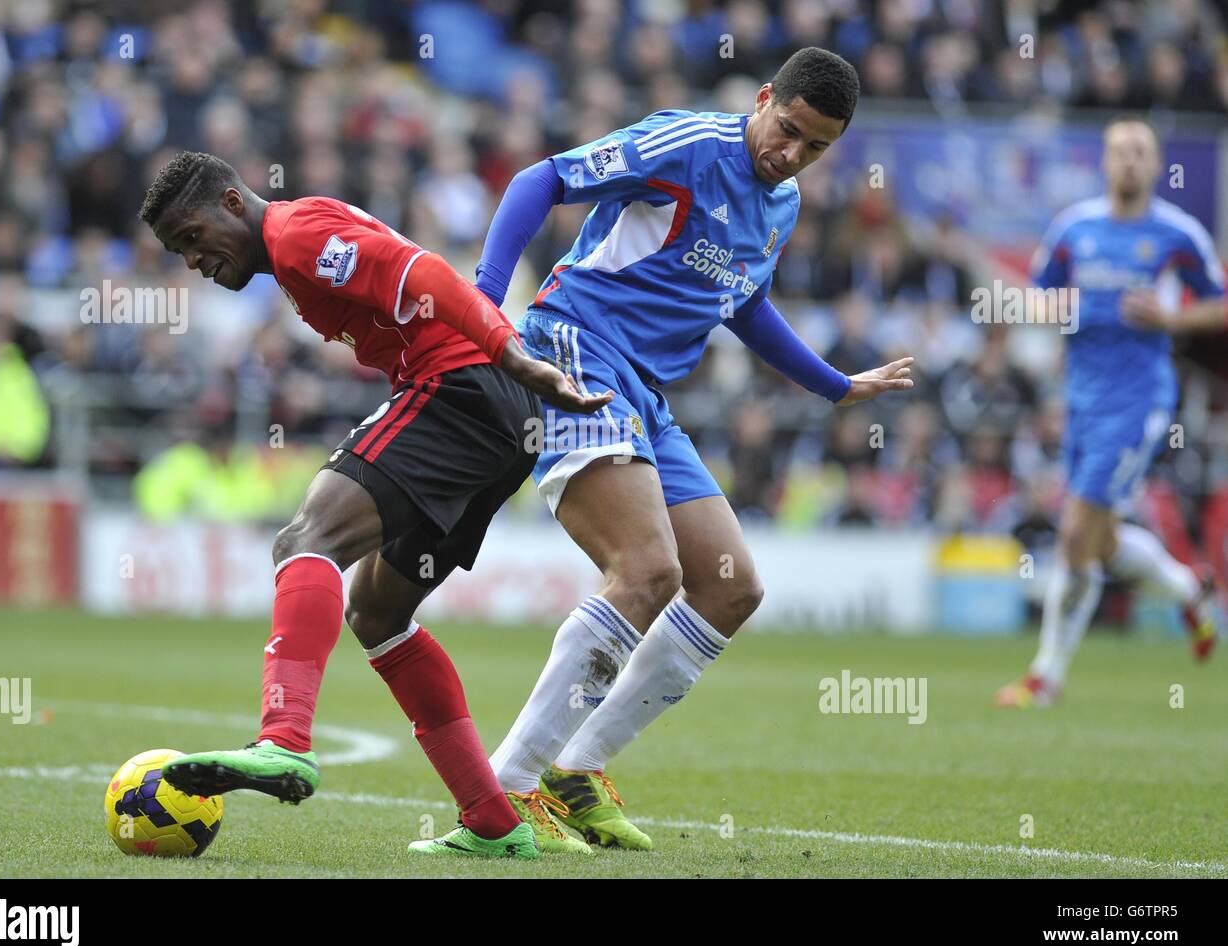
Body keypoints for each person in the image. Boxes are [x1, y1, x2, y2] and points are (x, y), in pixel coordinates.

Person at [474, 47, 914, 851]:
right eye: (788, 130)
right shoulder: (686, 144)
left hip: (645, 394)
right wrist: (482, 302)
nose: (792, 154)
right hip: (576, 349)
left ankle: (576, 768)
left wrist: (835, 384)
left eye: (816, 147)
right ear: (764, 97)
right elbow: (541, 180)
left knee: (731, 585)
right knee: (647, 571)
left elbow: (745, 305)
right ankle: (505, 789)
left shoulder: (783, 205)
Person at [138, 150, 613, 858]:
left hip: (461, 386)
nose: (193, 261)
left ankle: (284, 740)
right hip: (496, 414)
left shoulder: (295, 237)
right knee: (377, 613)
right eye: (179, 251)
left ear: (232, 204)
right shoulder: (297, 240)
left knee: (304, 540)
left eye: (193, 238)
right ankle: (493, 822)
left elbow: (422, 272)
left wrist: (508, 352)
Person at [995, 118, 1224, 708]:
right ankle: (1191, 593)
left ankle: (1045, 678)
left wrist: (1172, 319)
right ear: (1104, 161)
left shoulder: (1178, 234)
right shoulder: (1075, 227)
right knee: (1101, 542)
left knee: (1076, 533)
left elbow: (1220, 304)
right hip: (1081, 400)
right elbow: (1036, 295)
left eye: (1140, 152)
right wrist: (1054, 308)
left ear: (1156, 165)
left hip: (1140, 399)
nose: (1129, 161)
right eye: (1119, 151)